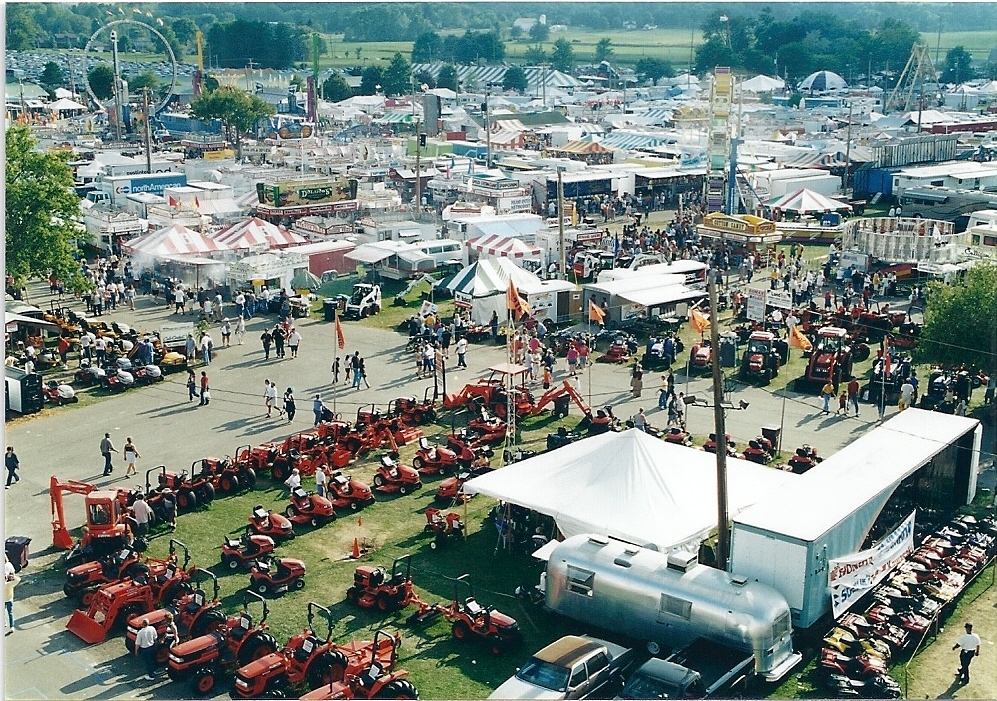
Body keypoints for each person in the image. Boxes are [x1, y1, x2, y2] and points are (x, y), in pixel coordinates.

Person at [5, 556, 19, 635]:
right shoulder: (9, 585)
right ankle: (12, 626)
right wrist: (12, 577)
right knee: (10, 612)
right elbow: (17, 579)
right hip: (9, 599)